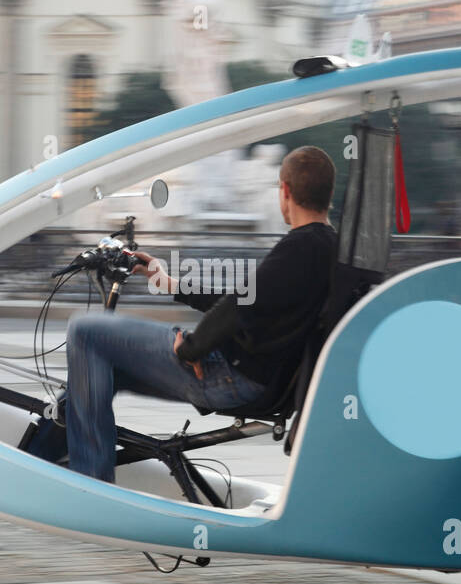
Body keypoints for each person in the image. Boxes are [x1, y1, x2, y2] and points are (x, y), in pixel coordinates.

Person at [25, 146, 339, 484]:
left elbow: (237, 306)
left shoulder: (300, 248)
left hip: (229, 375)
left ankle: (92, 480)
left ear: (286, 191)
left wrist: (190, 349)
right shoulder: (329, 248)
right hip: (256, 381)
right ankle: (34, 461)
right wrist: (168, 283)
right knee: (102, 365)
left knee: (86, 332)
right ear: (328, 195)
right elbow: (242, 298)